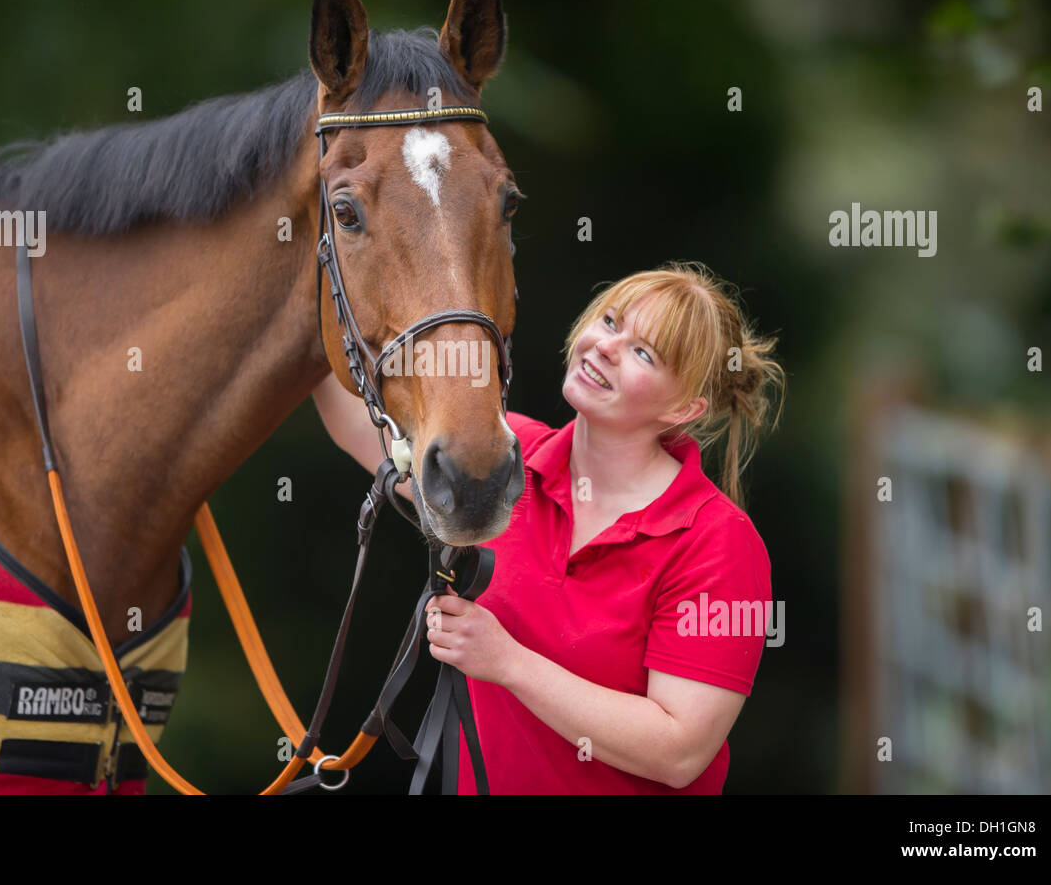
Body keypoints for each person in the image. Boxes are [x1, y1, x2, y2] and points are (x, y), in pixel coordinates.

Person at [312, 261, 785, 793]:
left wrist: (507, 661)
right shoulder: (507, 456)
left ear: (682, 408)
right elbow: (357, 423)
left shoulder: (720, 543)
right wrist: (309, 305)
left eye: (643, 353)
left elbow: (679, 750)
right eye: (610, 322)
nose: (607, 346)